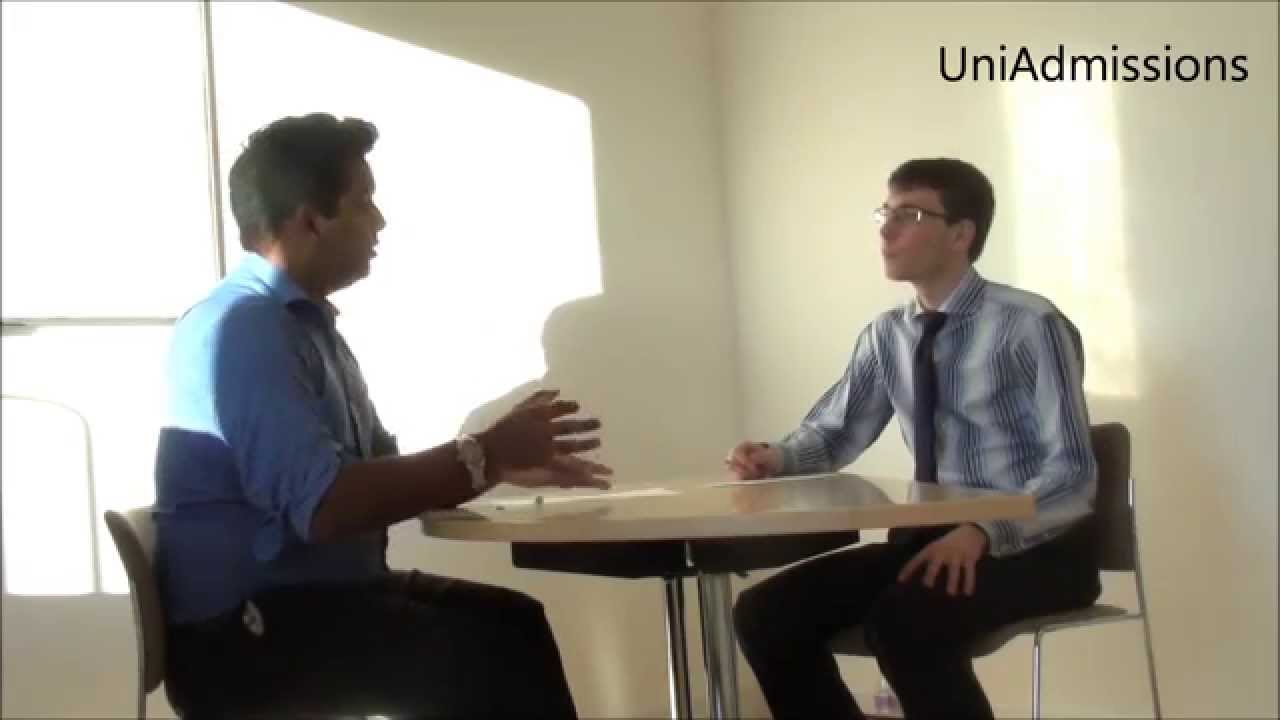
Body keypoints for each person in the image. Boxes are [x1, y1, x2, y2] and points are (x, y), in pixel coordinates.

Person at [153, 112, 613, 718]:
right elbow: (326, 507)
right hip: (242, 637)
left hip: (309, 603)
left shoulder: (304, 325)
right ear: (311, 220)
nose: (380, 221)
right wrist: (486, 453)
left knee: (514, 624)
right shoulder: (245, 328)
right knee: (491, 655)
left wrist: (494, 464)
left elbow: (374, 473)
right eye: (363, 202)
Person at [725, 158, 1101, 720]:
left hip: (1036, 548)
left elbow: (1072, 471)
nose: (886, 230)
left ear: (961, 234)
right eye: (885, 213)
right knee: (765, 613)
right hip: (931, 540)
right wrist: (773, 458)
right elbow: (835, 434)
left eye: (910, 215)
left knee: (906, 623)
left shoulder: (1030, 325)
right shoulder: (887, 335)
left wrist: (984, 530)